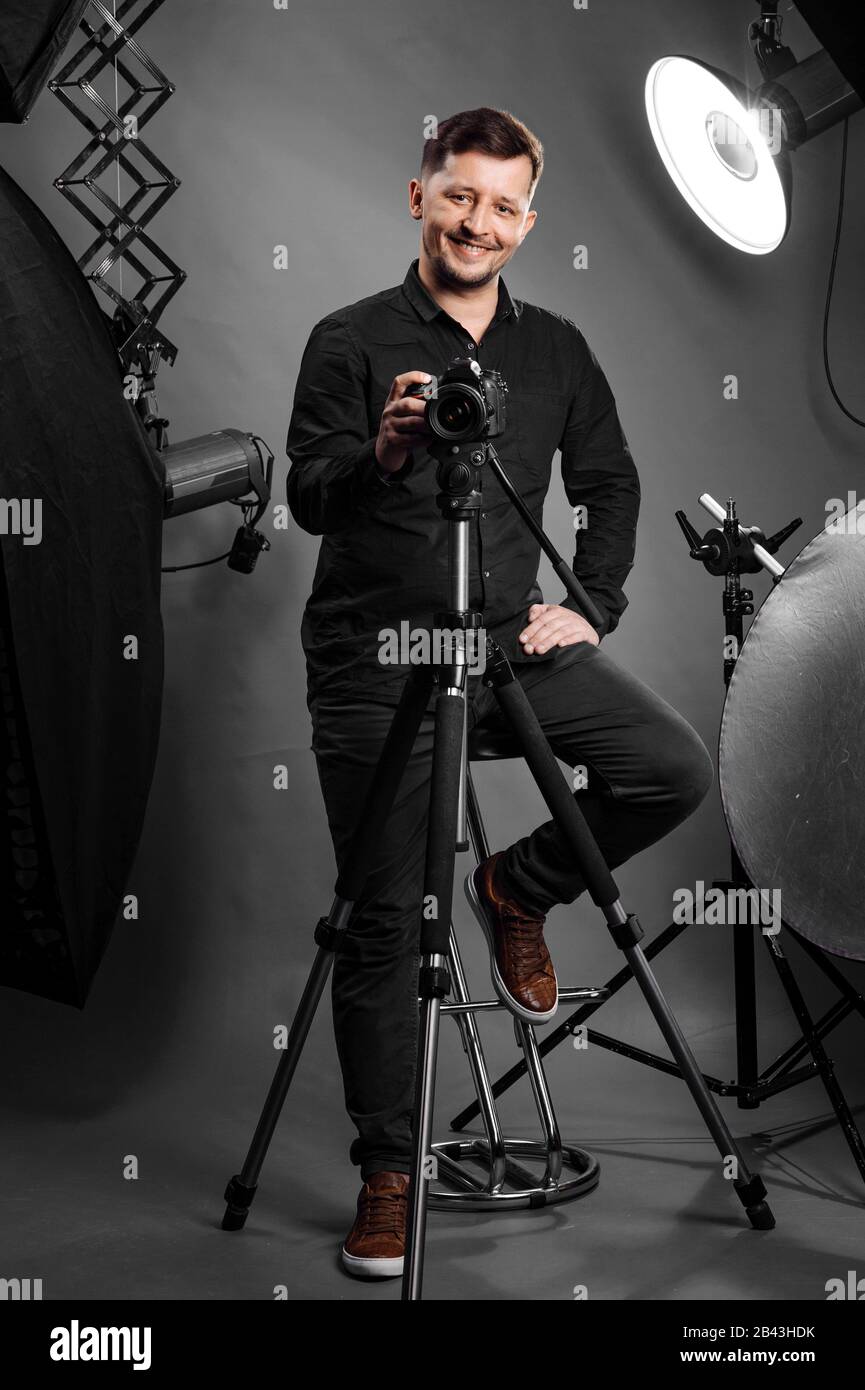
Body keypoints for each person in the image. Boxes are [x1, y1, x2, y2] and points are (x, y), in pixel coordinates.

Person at [286, 106, 714, 1280]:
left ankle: (515, 887)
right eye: (458, 194)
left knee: (670, 766)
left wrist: (599, 601)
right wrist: (378, 454)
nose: (479, 221)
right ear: (417, 194)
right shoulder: (349, 337)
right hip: (377, 657)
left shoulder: (558, 348)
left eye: (503, 205)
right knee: (385, 921)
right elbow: (309, 497)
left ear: (530, 220)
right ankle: (390, 1172)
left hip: (511, 647)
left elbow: (612, 482)